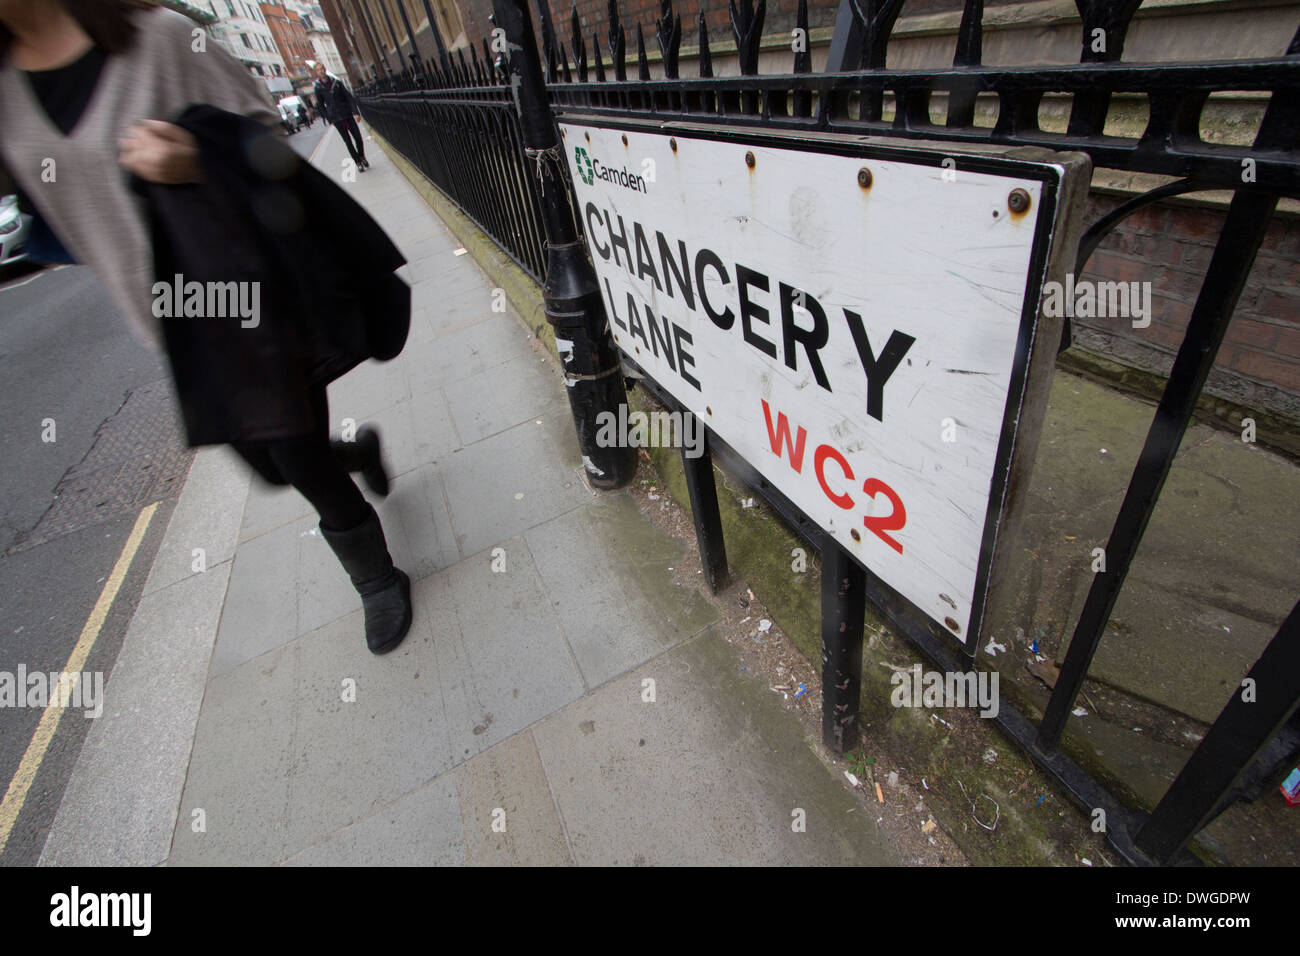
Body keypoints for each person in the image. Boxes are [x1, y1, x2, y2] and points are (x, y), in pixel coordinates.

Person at [0, 0, 415, 655]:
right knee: (273, 463)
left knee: (291, 452)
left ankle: (377, 579)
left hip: (244, 297)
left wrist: (197, 157)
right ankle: (357, 452)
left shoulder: (158, 38)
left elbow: (265, 133)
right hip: (167, 319)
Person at [312, 60, 367, 171]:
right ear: (316, 72)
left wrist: (355, 112)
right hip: (336, 118)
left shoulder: (336, 82)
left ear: (325, 69)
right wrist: (329, 118)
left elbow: (348, 97)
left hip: (346, 114)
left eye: (322, 69)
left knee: (358, 137)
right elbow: (321, 105)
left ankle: (361, 156)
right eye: (318, 70)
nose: (321, 71)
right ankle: (358, 162)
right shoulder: (318, 87)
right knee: (348, 141)